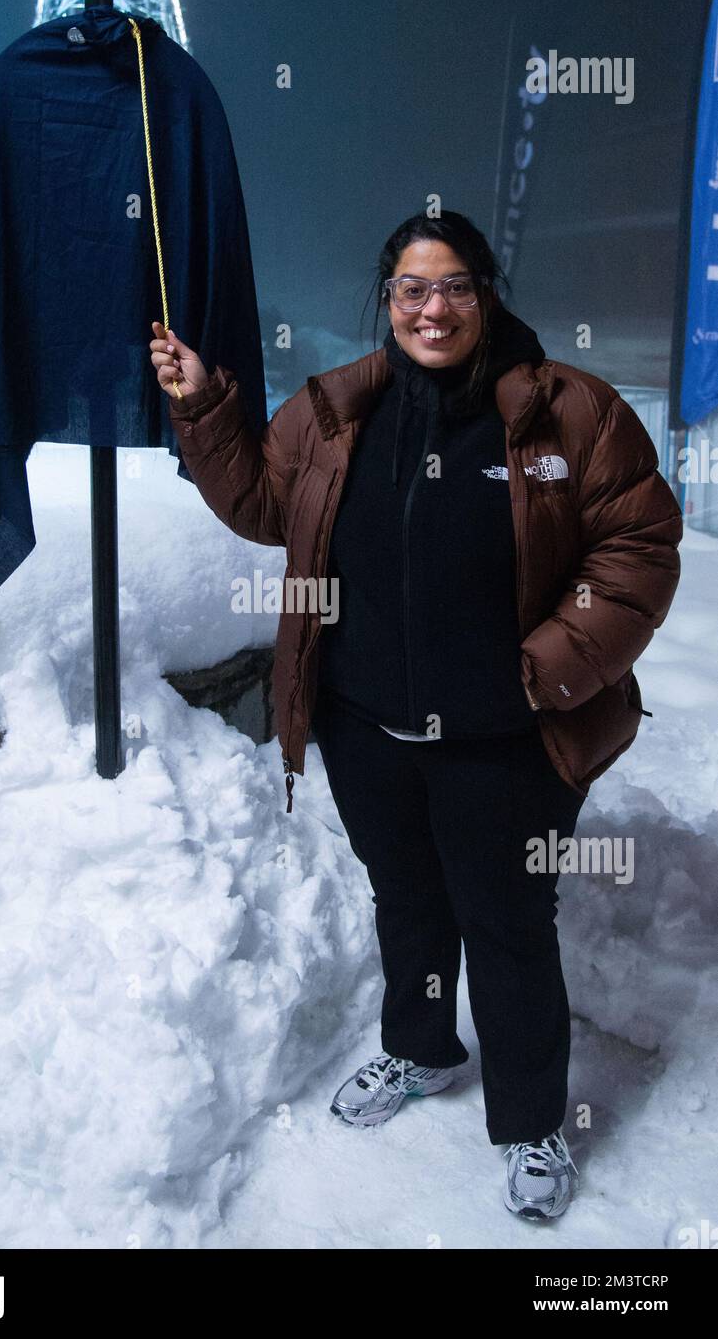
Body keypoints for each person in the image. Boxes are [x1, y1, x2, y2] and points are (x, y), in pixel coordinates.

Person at [149, 210, 683, 1222]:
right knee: (406, 900)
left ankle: (532, 1121)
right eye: (409, 288)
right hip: (368, 727)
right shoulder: (335, 411)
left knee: (510, 924)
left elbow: (638, 547)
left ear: (485, 293)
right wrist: (205, 403)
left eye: (452, 287)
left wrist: (540, 674)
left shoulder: (570, 413)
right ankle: (421, 1049)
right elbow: (268, 507)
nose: (430, 308)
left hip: (508, 744)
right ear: (386, 300)